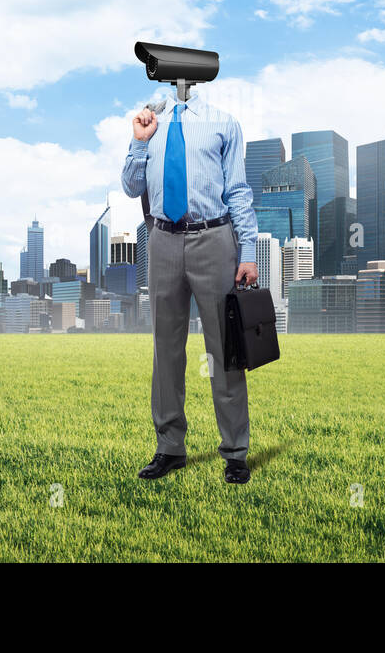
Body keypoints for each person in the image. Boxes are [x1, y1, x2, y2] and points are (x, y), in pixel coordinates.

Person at [121, 86, 258, 484]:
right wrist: (138, 141)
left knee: (225, 349)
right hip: (161, 240)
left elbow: (237, 191)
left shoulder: (223, 124)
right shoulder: (151, 124)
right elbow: (131, 187)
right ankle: (169, 448)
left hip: (214, 239)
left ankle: (235, 452)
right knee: (166, 350)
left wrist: (247, 250)